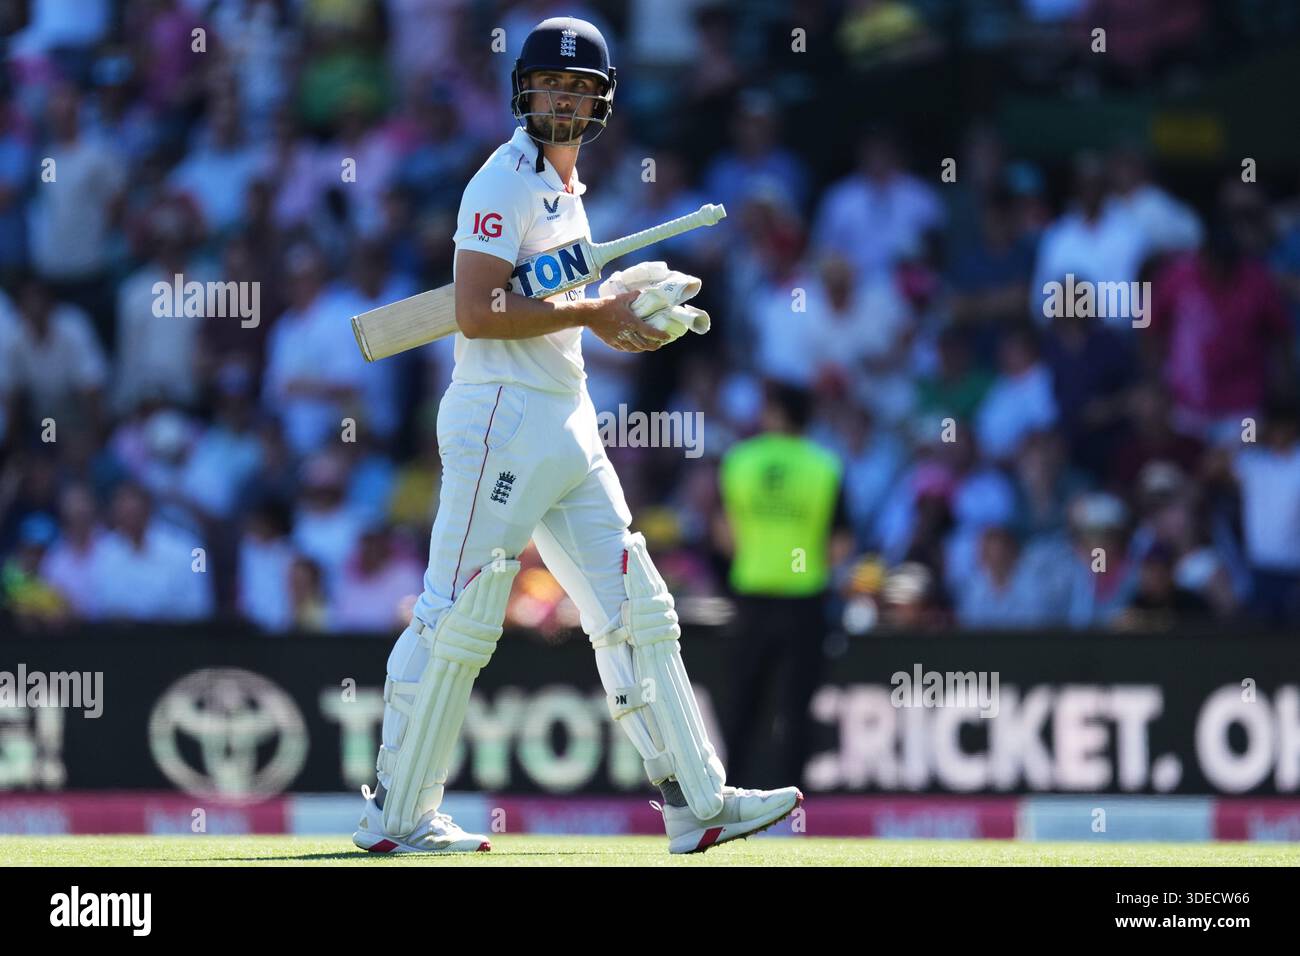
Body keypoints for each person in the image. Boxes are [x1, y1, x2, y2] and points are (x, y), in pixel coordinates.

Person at [353, 17, 801, 857]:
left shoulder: (567, 191)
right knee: (459, 617)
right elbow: (479, 313)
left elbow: (550, 308)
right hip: (498, 420)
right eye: (550, 85)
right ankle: (397, 817)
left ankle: (696, 803)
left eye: (579, 88)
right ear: (523, 91)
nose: (563, 99)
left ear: (600, 102)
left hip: (563, 415)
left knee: (638, 609)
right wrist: (600, 310)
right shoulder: (501, 183)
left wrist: (620, 313)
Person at [715, 382, 854, 788]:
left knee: (743, 701)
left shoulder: (740, 460)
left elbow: (722, 530)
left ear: (774, 412)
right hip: (805, 599)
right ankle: (793, 800)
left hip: (752, 594)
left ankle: (731, 792)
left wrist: (754, 556)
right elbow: (841, 543)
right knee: (797, 705)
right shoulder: (824, 465)